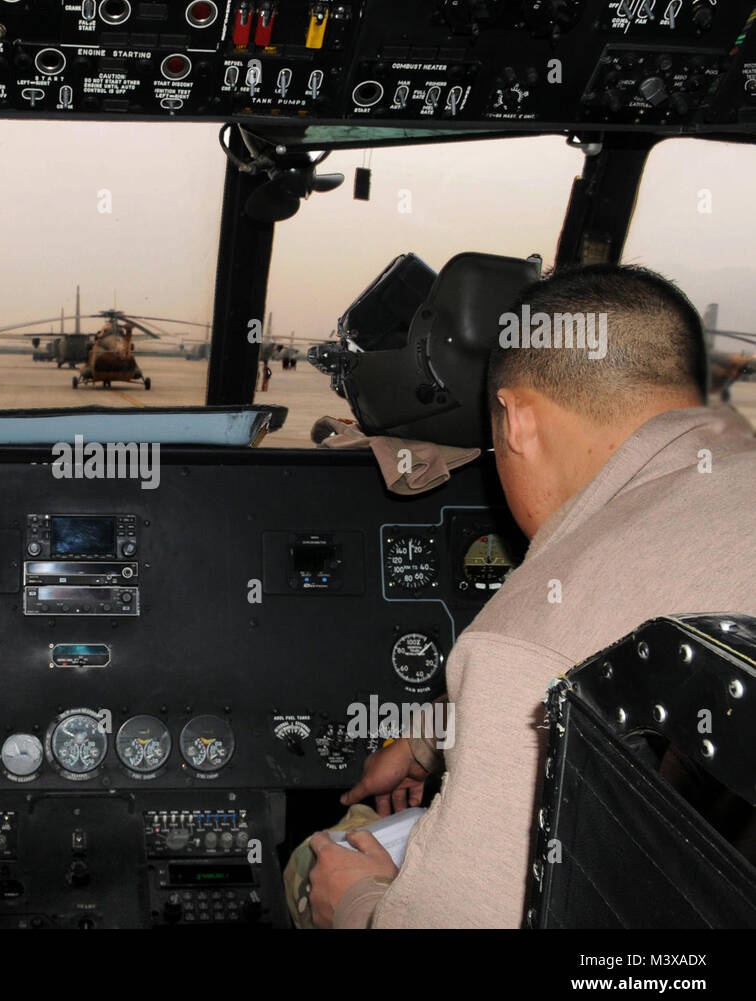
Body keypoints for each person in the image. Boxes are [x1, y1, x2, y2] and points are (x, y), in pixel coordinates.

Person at [305, 263, 756, 928]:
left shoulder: (532, 638)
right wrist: (439, 735)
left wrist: (357, 905)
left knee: (314, 871)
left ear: (515, 420)